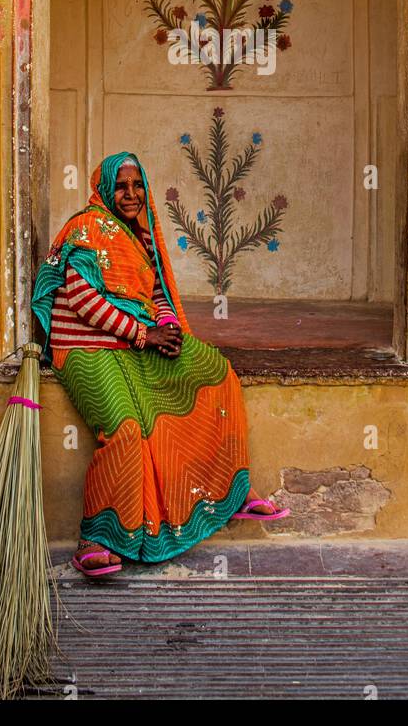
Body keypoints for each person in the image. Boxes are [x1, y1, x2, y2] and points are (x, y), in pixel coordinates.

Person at [31, 151, 289, 576]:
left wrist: (165, 329)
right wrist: (143, 334)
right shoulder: (88, 228)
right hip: (85, 347)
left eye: (137, 186)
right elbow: (80, 299)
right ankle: (94, 539)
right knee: (127, 431)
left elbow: (155, 295)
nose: (130, 194)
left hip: (133, 340)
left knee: (216, 373)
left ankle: (230, 490)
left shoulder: (139, 236)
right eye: (121, 186)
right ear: (104, 188)